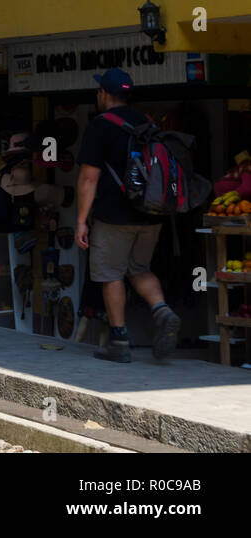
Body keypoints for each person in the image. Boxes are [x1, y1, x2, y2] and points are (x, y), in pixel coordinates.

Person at [75, 68, 181, 363]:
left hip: (113, 216)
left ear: (104, 94)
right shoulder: (147, 122)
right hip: (151, 213)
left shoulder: (100, 125)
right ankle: (163, 311)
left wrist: (82, 220)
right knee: (139, 268)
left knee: (111, 273)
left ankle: (119, 340)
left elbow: (88, 178)